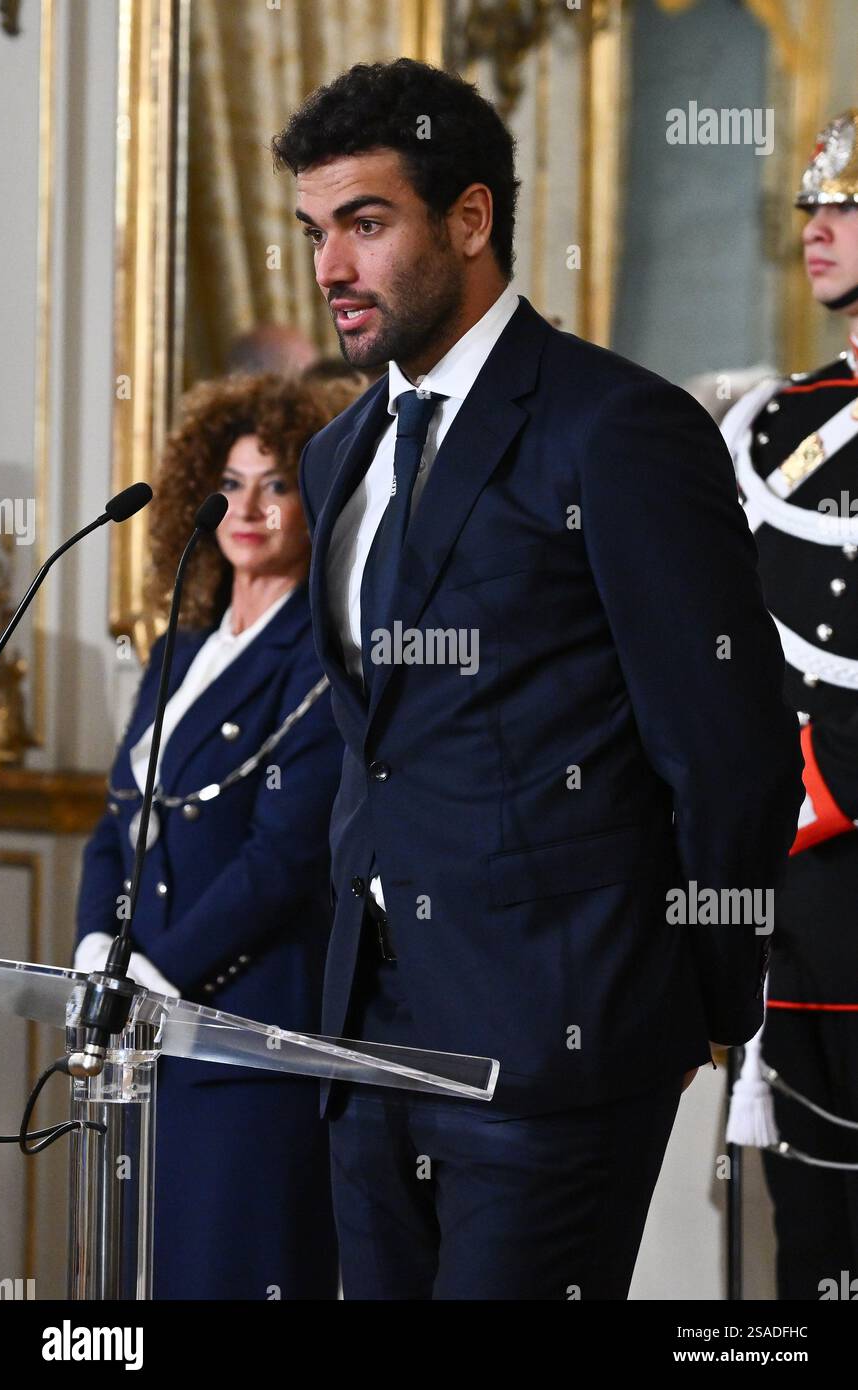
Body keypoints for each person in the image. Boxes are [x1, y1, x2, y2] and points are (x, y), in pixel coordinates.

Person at [271, 57, 804, 1301]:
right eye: (313, 233)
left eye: (364, 223)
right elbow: (380, 749)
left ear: (469, 219)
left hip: (554, 1040)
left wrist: (702, 1004)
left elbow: (727, 749)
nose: (330, 270)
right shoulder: (338, 453)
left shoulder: (614, 427)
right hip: (366, 1043)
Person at [73, 373, 360, 1299]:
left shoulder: (320, 656)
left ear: (317, 499)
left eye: (277, 484)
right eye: (231, 484)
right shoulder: (181, 652)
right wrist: (93, 948)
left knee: (231, 1273)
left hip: (242, 1038)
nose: (250, 507)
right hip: (147, 1037)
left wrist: (156, 972)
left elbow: (283, 859)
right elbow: (117, 821)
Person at [722, 108, 858, 1301]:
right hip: (795, 897)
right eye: (810, 203)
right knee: (810, 1240)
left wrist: (832, 776)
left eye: (843, 204)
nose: (811, 227)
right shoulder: (771, 420)